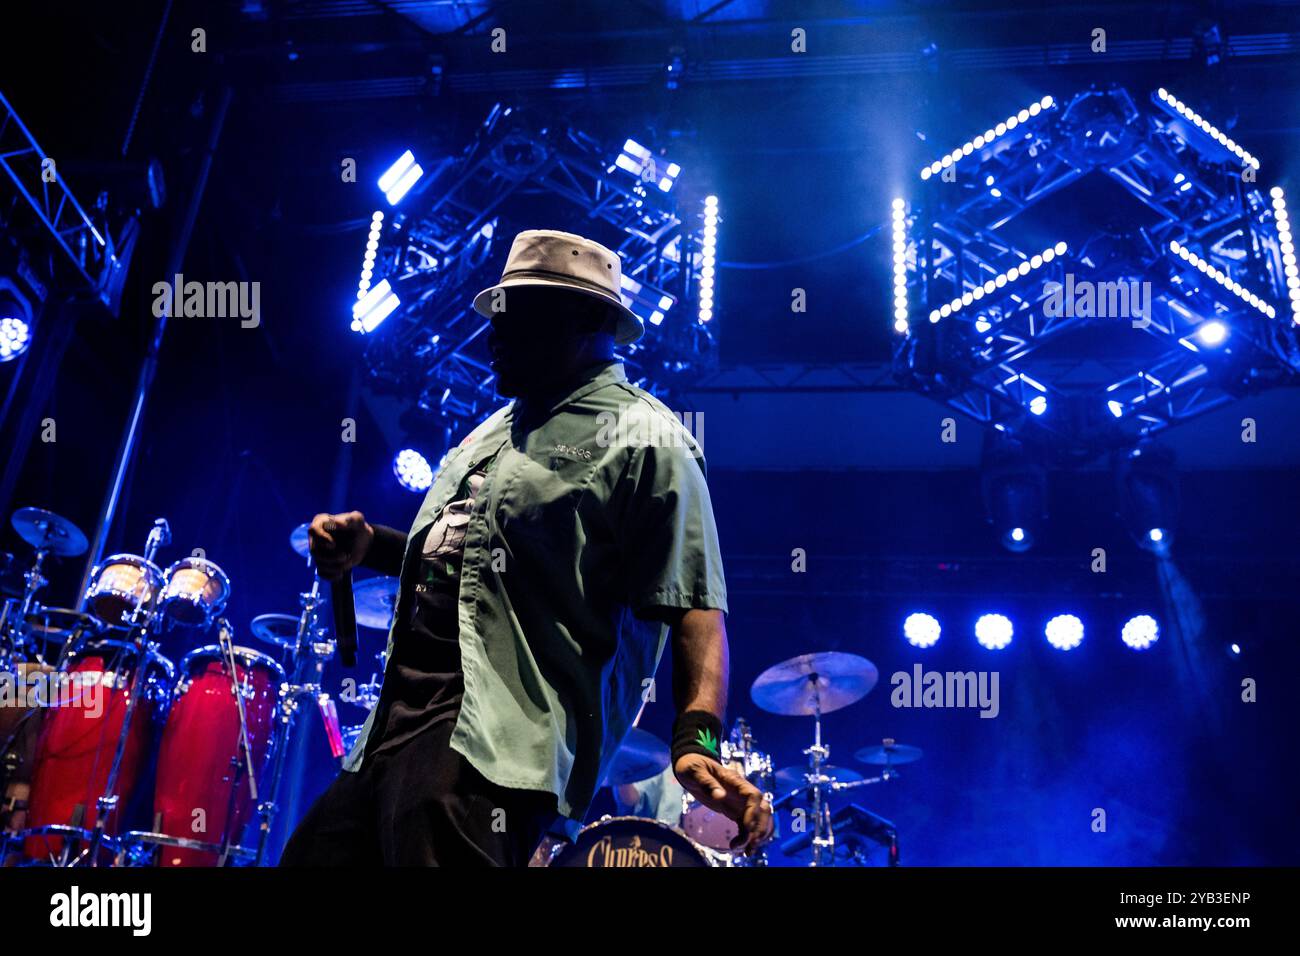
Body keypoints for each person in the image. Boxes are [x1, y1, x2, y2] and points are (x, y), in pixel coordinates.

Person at [281, 229, 773, 866]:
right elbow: (467, 560)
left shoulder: (648, 440)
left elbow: (694, 604)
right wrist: (369, 545)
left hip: (493, 746)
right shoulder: (488, 432)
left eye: (517, 318)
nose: (492, 337)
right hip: (393, 726)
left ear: (589, 319)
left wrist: (697, 738)